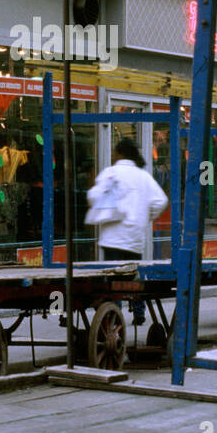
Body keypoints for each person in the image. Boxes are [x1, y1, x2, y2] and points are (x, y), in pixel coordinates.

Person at [86, 138, 168, 325]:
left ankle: (115, 317)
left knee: (113, 282)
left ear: (120, 153)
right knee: (133, 277)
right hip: (134, 239)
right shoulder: (143, 176)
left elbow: (93, 196)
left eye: (115, 152)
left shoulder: (111, 173)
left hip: (112, 239)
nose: (113, 155)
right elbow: (160, 200)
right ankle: (139, 312)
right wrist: (146, 217)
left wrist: (104, 207)